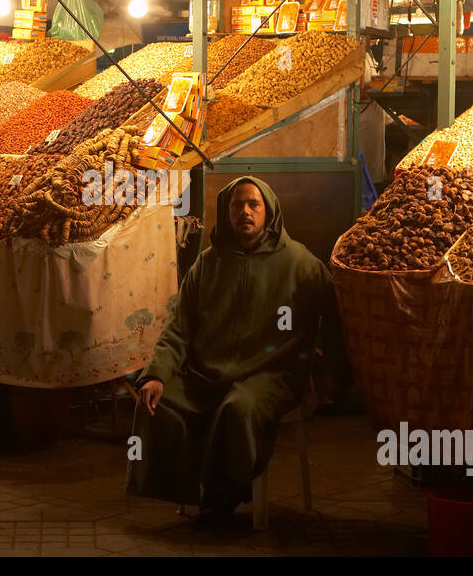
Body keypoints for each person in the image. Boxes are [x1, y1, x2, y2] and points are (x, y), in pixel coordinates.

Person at [127, 176, 348, 524]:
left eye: (253, 205)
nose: (245, 211)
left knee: (237, 409)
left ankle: (223, 495)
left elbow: (336, 320)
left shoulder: (300, 263)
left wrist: (328, 373)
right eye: (236, 205)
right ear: (227, 212)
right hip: (208, 372)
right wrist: (156, 374)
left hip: (271, 374)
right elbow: (179, 326)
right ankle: (188, 490)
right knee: (159, 401)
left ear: (269, 211)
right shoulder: (208, 263)